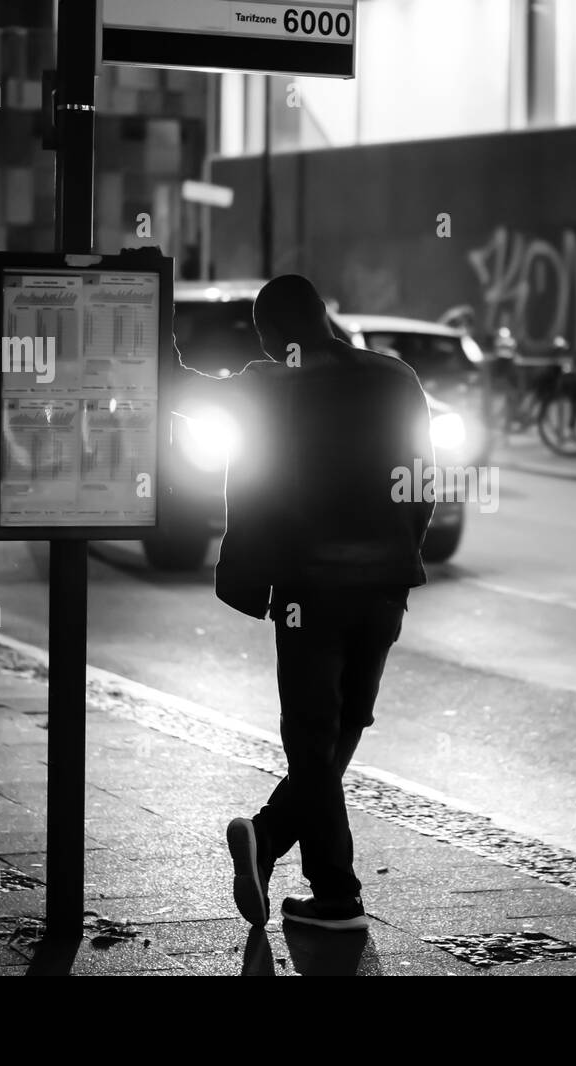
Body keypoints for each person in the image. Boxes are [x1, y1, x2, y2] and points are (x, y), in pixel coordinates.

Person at [200, 274, 435, 932]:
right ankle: (294, 860)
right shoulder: (397, 378)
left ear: (270, 335)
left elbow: (187, 391)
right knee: (345, 728)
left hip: (310, 590)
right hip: (384, 585)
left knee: (311, 738)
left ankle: (314, 875)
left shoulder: (273, 382)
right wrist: (401, 554)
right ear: (325, 315)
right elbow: (422, 478)